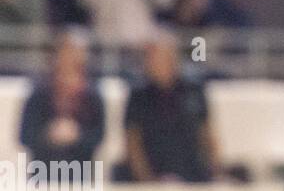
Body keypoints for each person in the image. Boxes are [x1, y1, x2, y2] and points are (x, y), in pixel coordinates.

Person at [121, 35, 218, 183]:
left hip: (192, 174)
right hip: (153, 176)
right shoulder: (138, 96)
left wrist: (216, 172)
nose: (154, 64)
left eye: (160, 58)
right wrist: (147, 180)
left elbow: (206, 134)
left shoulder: (194, 91)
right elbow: (133, 142)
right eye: (151, 59)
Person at [20, 29, 104, 169]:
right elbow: (25, 135)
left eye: (75, 51)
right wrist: (50, 134)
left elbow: (99, 136)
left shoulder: (92, 96)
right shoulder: (39, 93)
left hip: (80, 174)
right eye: (66, 51)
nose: (70, 57)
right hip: (43, 174)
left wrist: (76, 136)